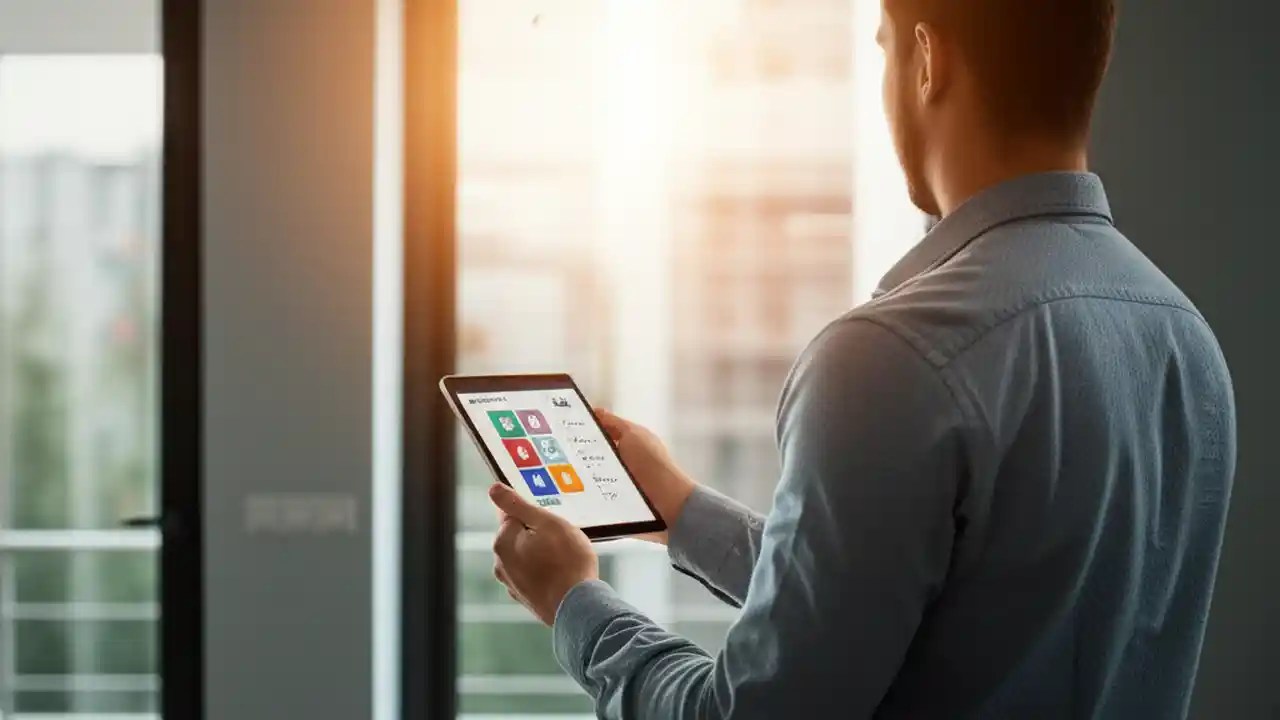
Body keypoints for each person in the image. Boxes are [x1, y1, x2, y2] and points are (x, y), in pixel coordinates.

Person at [487, 0, 1237, 716]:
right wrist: (681, 512)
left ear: (926, 60)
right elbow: (904, 613)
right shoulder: (1185, 341)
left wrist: (575, 605)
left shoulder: (891, 357)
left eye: (883, 49)